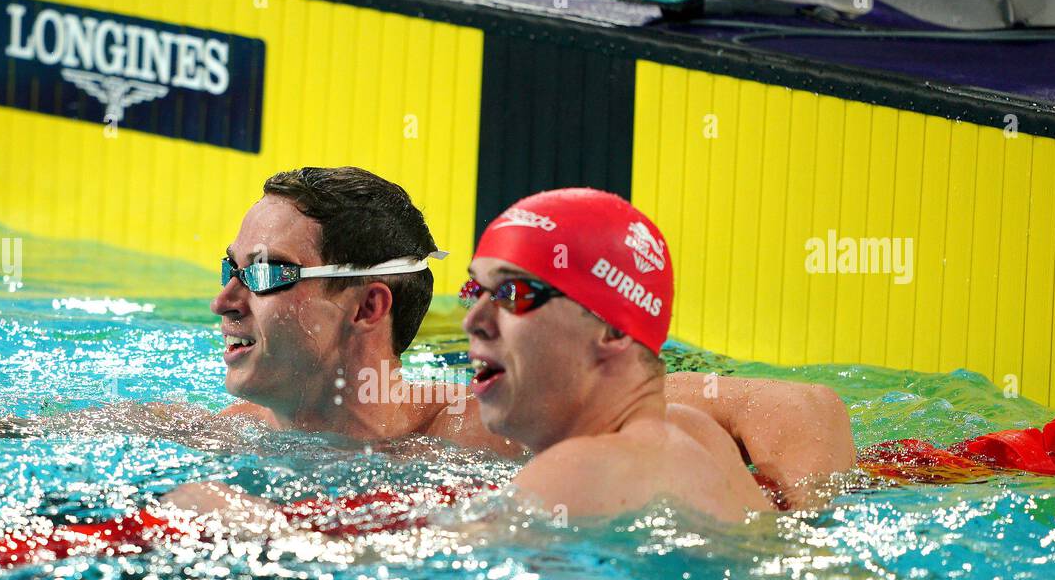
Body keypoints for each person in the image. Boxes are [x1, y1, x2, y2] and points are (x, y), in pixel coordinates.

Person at [164, 176, 854, 517]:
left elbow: (803, 404)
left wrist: (796, 525)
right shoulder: (232, 436)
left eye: (264, 274)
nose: (225, 299)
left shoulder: (506, 426)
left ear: (369, 306)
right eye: (230, 270)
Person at [462, 188, 773, 522]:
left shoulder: (574, 474)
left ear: (613, 328)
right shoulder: (699, 438)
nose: (473, 321)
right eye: (475, 290)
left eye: (512, 293)